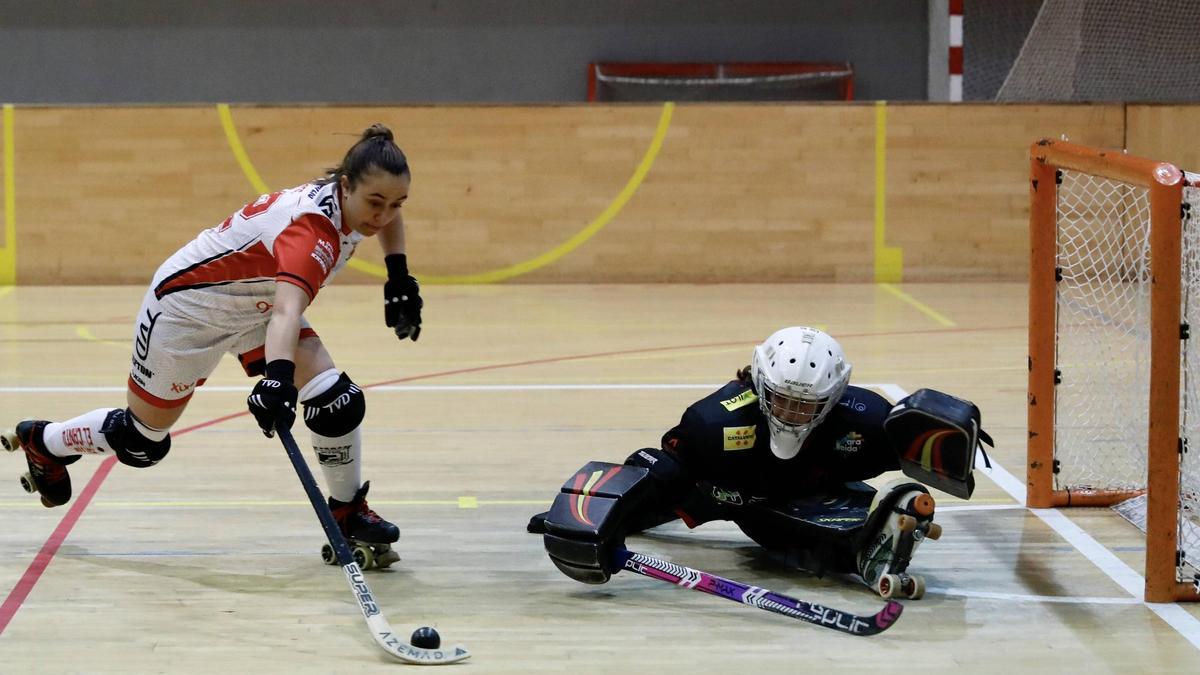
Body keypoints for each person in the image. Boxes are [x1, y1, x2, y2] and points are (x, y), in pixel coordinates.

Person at [2, 123, 422, 568]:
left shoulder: (356, 201)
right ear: (346, 186)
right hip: (188, 310)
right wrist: (278, 380)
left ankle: (347, 511)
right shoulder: (311, 233)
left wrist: (398, 274)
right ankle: (45, 441)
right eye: (375, 203)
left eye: (395, 204)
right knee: (142, 443)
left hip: (253, 308)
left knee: (336, 401)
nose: (383, 216)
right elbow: (287, 312)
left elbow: (384, 214)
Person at [529, 326, 988, 599]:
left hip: (804, 497)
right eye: (782, 400)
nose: (792, 414)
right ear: (759, 383)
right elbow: (659, 470)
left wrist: (942, 435)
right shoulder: (713, 423)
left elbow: (921, 450)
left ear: (836, 396)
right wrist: (598, 516)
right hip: (724, 490)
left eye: (807, 405)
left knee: (800, 534)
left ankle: (864, 550)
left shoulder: (866, 420)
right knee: (656, 489)